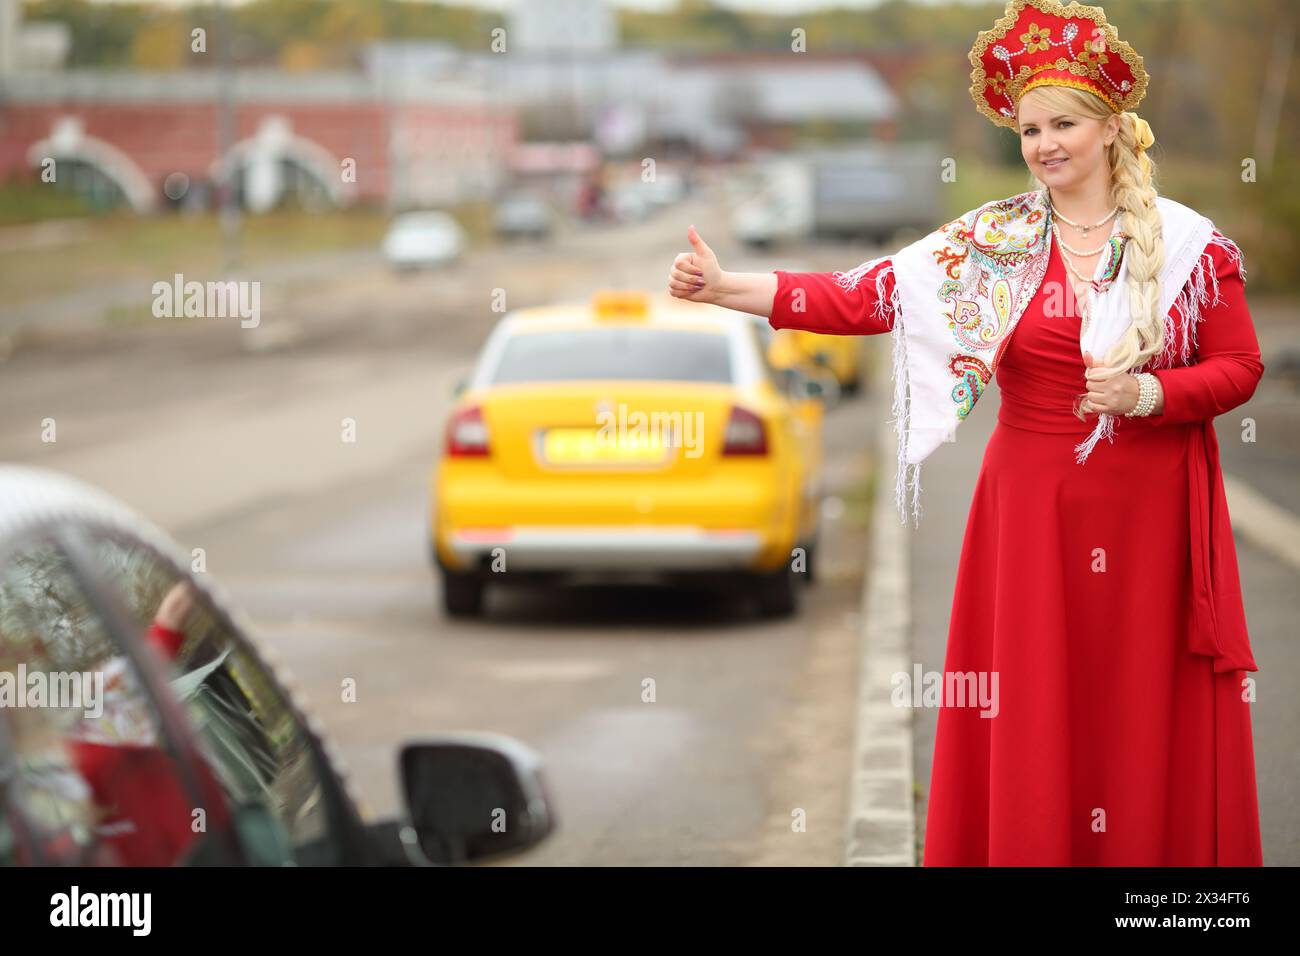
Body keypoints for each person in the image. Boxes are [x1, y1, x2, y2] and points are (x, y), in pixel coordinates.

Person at [668, 0, 1264, 866]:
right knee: (1037, 703)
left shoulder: (1189, 247)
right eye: (1029, 130)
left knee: (1137, 704)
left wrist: (1145, 394)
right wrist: (730, 287)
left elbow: (1240, 367)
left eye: (1062, 123)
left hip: (1154, 518)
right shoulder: (995, 242)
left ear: (1108, 128)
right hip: (1030, 514)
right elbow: (864, 296)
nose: (1045, 143)